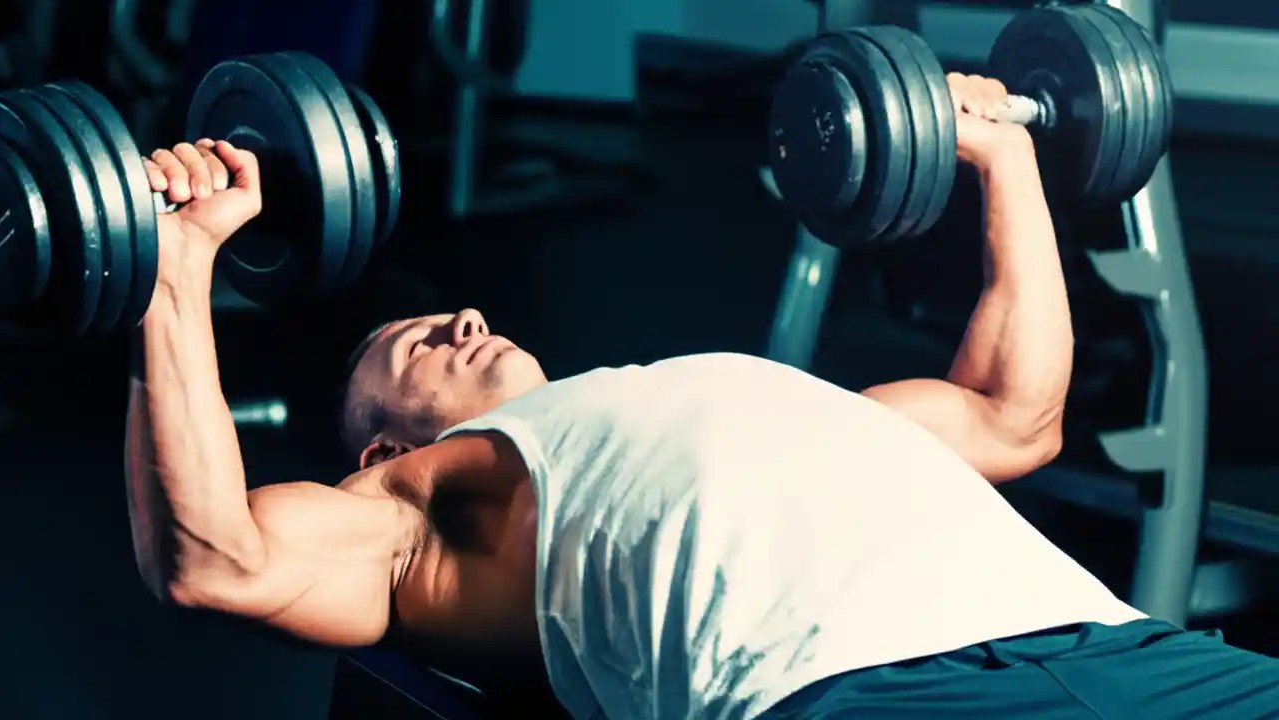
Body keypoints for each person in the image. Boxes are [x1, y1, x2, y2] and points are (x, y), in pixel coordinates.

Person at [126, 74, 1279, 719]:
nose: (466, 321)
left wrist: (1004, 163)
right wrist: (168, 274)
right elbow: (212, 561)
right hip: (861, 694)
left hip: (1110, 647)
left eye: (459, 315)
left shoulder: (737, 394)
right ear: (376, 454)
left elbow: (1010, 417)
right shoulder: (409, 517)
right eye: (416, 344)